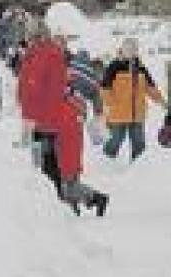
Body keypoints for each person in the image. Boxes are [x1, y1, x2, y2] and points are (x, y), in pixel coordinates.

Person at [18, 21, 68, 190]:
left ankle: (55, 196)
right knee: (42, 158)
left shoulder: (46, 54)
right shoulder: (36, 54)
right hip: (39, 114)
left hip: (44, 115)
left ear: (37, 37)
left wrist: (27, 100)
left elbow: (36, 84)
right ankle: (52, 194)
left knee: (46, 160)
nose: (27, 39)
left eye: (30, 36)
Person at [101, 37, 167, 161]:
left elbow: (151, 88)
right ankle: (106, 163)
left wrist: (163, 102)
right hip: (118, 113)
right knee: (115, 140)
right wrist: (111, 103)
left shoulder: (141, 68)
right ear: (123, 50)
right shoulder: (114, 66)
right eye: (128, 49)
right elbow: (105, 88)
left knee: (139, 143)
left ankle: (138, 169)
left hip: (137, 114)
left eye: (134, 49)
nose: (131, 52)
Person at [54, 88, 109, 216]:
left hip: (65, 151)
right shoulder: (75, 103)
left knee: (66, 186)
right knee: (70, 183)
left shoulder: (62, 107)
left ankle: (96, 198)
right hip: (74, 149)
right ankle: (74, 209)